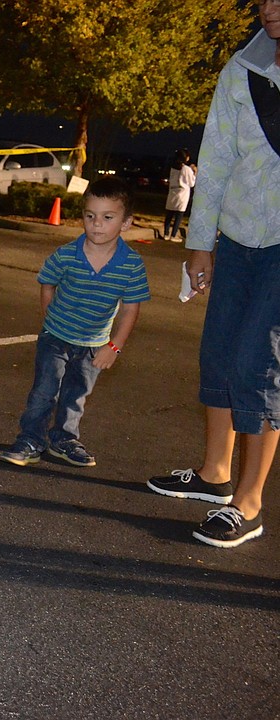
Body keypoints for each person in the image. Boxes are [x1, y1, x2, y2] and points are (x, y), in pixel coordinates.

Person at [146, 3, 280, 548]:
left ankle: (250, 503)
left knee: (259, 364)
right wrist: (200, 243)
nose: (269, 8)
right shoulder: (242, 68)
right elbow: (217, 157)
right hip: (240, 236)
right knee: (220, 354)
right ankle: (215, 474)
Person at [0, 177, 150, 468]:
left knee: (76, 394)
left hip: (95, 345)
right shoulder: (67, 254)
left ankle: (63, 439)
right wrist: (49, 317)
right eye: (90, 216)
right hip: (55, 337)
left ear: (126, 222)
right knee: (44, 392)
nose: (96, 224)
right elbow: (47, 283)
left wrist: (114, 347)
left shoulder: (131, 264)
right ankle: (31, 439)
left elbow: (131, 309)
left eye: (107, 218)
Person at [162, 148, 196, 242]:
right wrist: (195, 172)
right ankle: (173, 235)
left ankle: (166, 234)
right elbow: (192, 183)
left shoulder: (173, 168)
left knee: (169, 214)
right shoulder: (186, 169)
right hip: (182, 193)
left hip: (173, 191)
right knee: (179, 215)